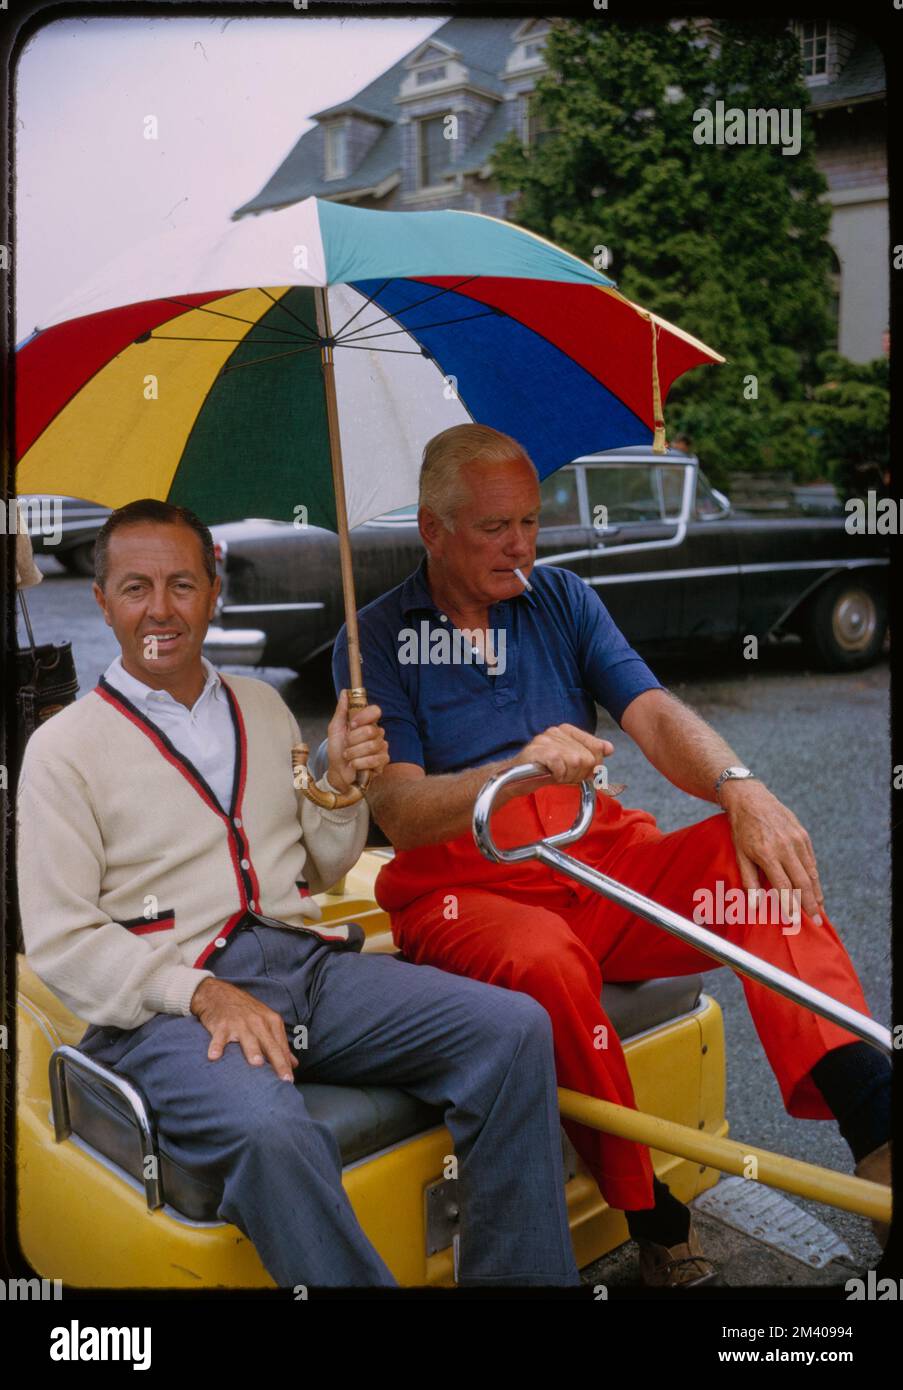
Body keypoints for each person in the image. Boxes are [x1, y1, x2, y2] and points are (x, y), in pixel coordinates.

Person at [333, 423, 893, 1288]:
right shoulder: (370, 646)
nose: (519, 545)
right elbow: (401, 814)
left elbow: (652, 711)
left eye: (528, 522)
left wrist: (739, 787)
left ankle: (881, 1142)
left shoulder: (560, 600)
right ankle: (651, 1216)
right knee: (544, 960)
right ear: (430, 529)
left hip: (592, 856)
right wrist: (519, 770)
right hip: (464, 887)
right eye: (493, 528)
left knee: (753, 875)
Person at [15, 498, 582, 1290]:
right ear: (102, 600)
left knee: (513, 1029)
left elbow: (316, 868)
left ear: (214, 591)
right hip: (164, 1010)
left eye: (182, 583)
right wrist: (202, 991)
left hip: (302, 966)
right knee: (269, 1131)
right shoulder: (61, 750)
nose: (161, 608)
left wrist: (339, 787)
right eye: (135, 587)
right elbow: (62, 937)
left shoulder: (261, 705)